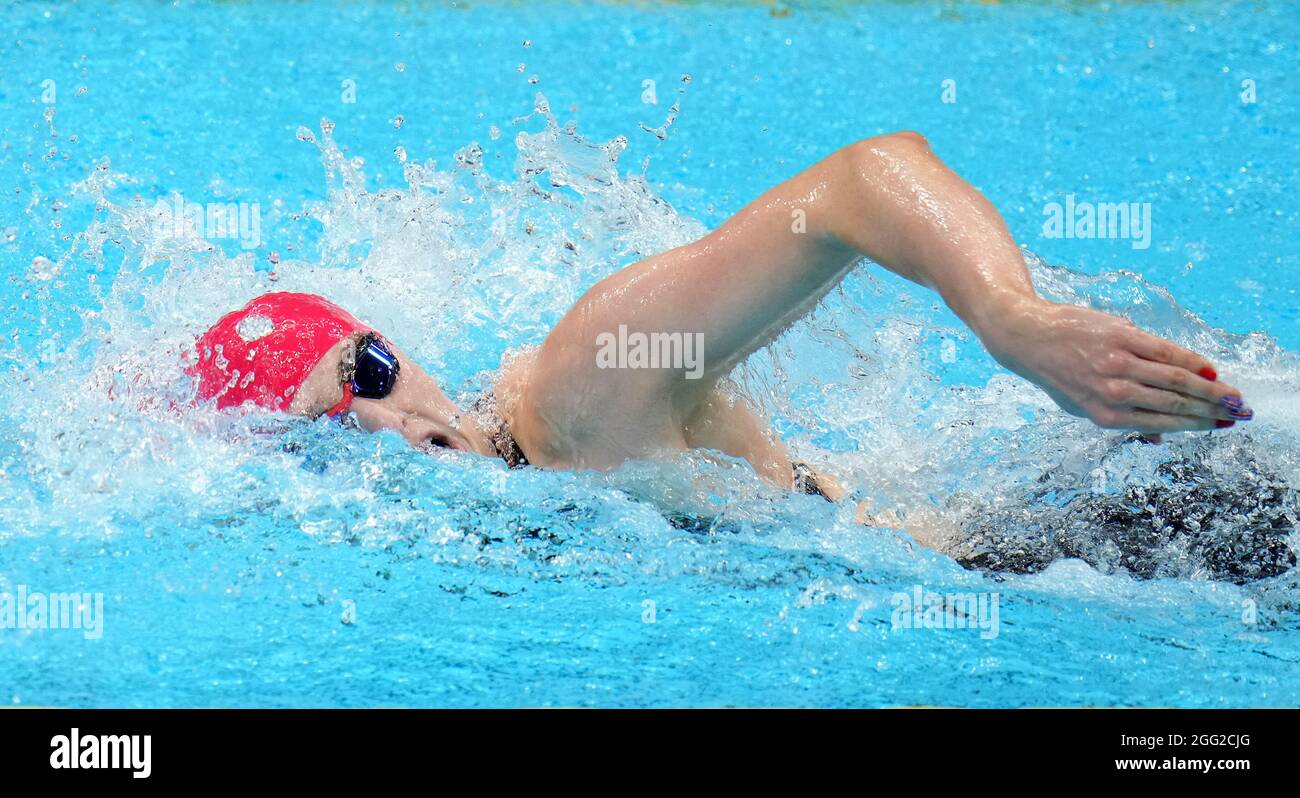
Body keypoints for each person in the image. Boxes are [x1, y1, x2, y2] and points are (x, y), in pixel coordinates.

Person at [189, 131, 1254, 504]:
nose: (380, 421)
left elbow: (860, 180)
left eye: (367, 372)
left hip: (1129, 531)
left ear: (399, 349)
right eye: (325, 429)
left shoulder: (571, 397)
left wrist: (1012, 322)